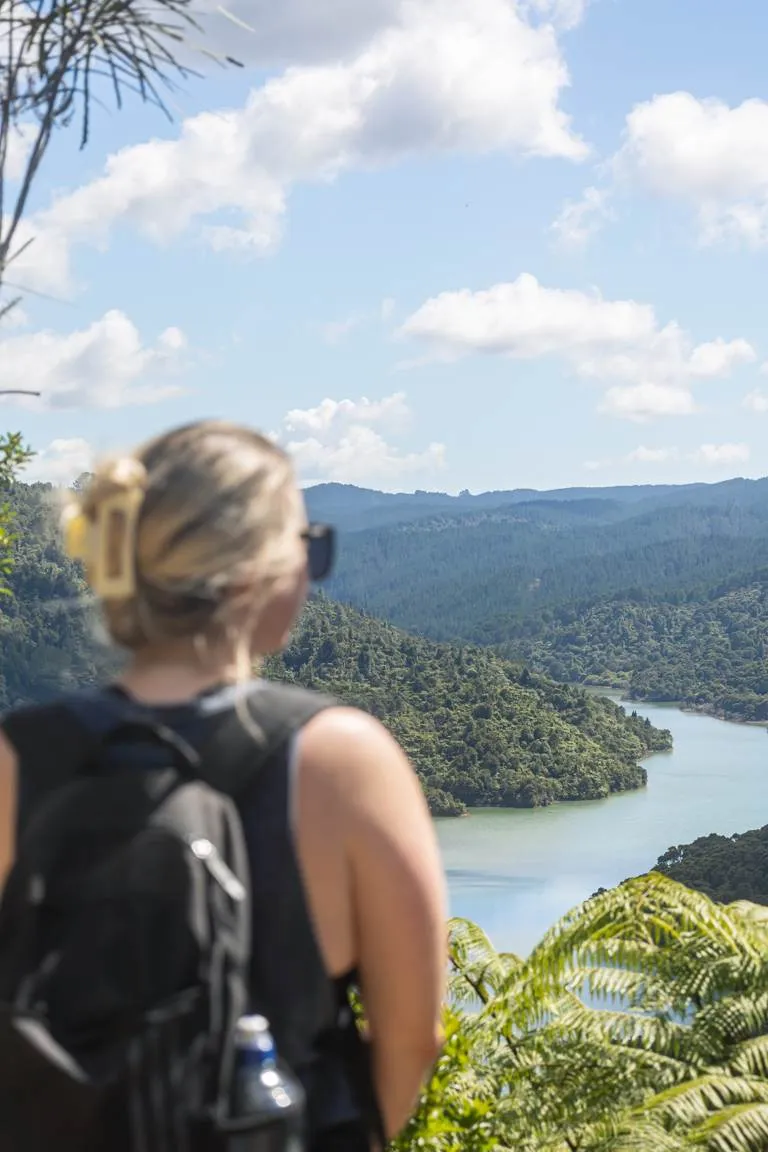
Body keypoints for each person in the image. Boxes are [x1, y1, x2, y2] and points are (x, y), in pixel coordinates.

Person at [0, 419, 447, 1151]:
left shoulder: (15, 757)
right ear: (259, 570)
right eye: (309, 548)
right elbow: (411, 1038)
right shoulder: (343, 761)